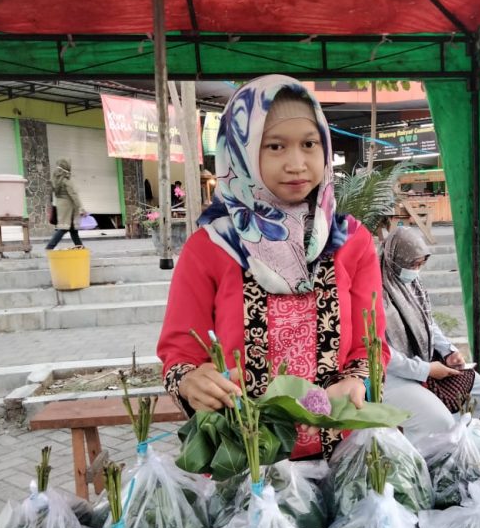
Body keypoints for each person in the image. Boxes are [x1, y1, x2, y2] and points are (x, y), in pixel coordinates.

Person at [157, 75, 389, 460]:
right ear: (242, 152)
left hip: (342, 453)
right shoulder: (211, 246)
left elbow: (372, 345)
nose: (297, 164)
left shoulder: (350, 241)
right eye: (275, 146)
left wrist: (356, 379)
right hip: (245, 457)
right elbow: (180, 349)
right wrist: (190, 380)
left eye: (309, 144)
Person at [379, 226, 480, 444]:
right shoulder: (375, 289)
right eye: (412, 265)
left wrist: (448, 351)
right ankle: (430, 459)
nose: (416, 270)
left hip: (426, 363)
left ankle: (458, 447)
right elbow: (381, 352)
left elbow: (427, 322)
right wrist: (426, 369)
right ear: (394, 258)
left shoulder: (412, 283)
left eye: (420, 264)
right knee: (439, 421)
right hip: (390, 376)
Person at [45, 159, 85, 250]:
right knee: (64, 228)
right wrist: (81, 207)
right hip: (69, 208)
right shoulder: (66, 181)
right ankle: (49, 247)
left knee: (72, 229)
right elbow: (74, 195)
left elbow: (51, 193)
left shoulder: (55, 180)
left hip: (61, 206)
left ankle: (81, 248)